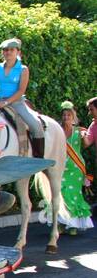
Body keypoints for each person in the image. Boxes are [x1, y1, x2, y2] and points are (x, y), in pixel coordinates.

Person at [0, 37, 45, 158]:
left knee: (36, 126)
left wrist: (6, 102)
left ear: (18, 52)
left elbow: (21, 90)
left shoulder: (23, 69)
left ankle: (38, 159)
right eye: (5, 50)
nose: (8, 52)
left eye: (12, 49)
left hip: (17, 103)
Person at [40, 100, 93, 235]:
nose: (66, 118)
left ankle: (73, 225)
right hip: (60, 166)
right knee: (59, 194)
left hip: (75, 168)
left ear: (73, 116)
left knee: (73, 195)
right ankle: (61, 224)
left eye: (69, 115)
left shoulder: (79, 131)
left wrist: (84, 137)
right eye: (64, 115)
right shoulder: (57, 131)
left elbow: (86, 144)